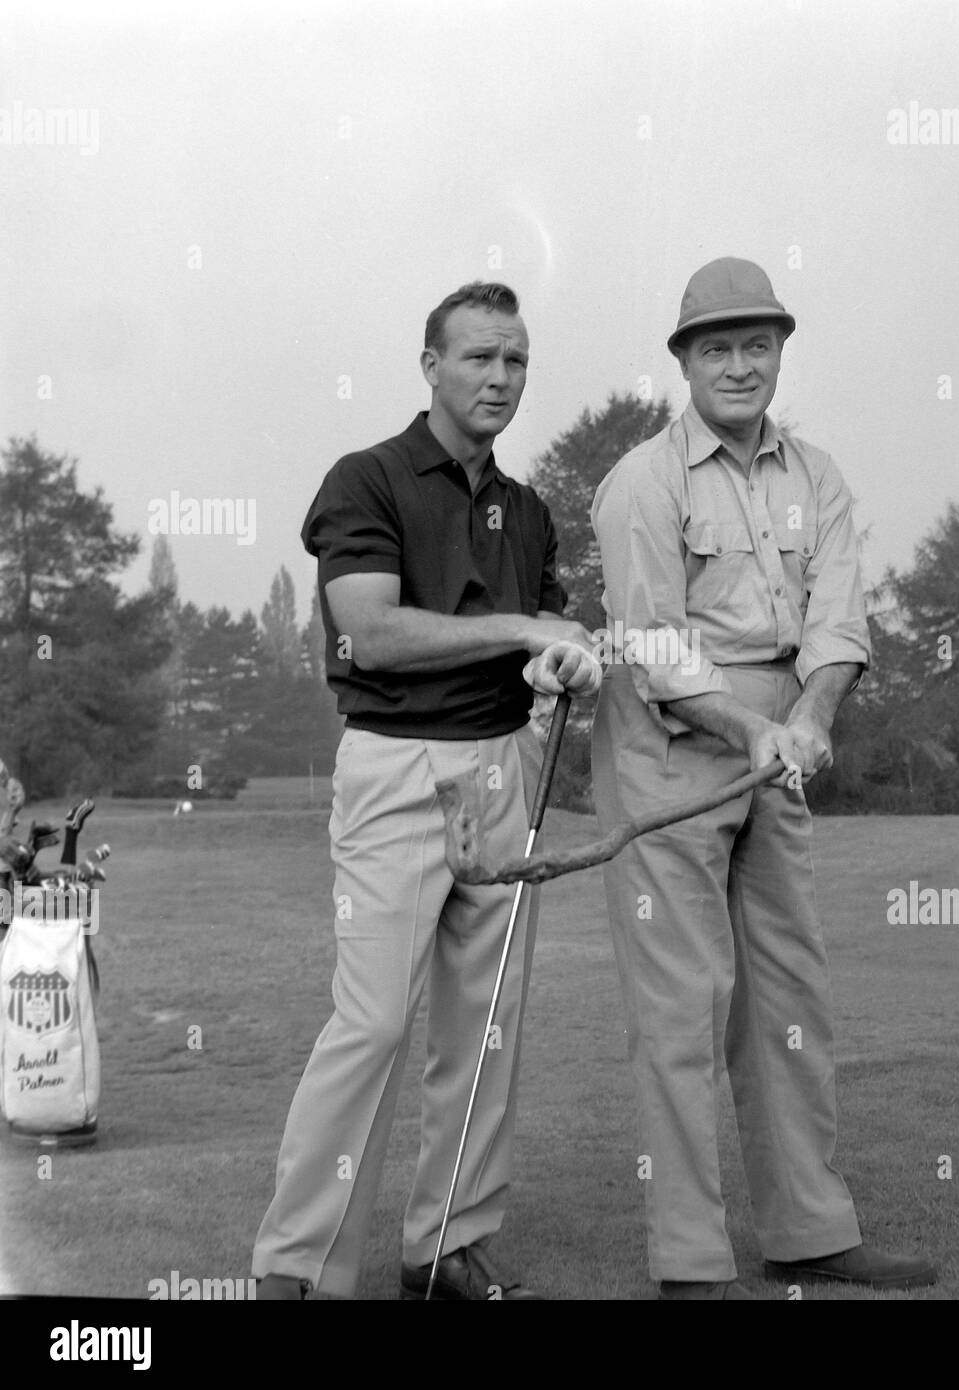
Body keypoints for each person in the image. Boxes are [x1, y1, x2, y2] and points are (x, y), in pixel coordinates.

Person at [590, 257, 938, 1300]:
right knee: (683, 1006)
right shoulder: (638, 484)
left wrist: (812, 718)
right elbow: (649, 644)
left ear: (780, 349)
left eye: (755, 345)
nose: (738, 366)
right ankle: (692, 1261)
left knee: (789, 992)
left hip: (780, 743)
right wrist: (748, 726)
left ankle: (809, 1229)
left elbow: (838, 618)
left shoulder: (817, 476)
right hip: (667, 753)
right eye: (715, 348)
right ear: (683, 362)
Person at [252, 281, 599, 1301]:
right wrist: (526, 632)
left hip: (502, 766)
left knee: (483, 1022)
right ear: (430, 366)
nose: (498, 378)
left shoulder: (526, 511)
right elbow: (371, 629)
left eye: (515, 361)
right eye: (479, 358)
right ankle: (301, 1266)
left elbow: (542, 641)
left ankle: (446, 1242)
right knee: (371, 1023)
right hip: (394, 766)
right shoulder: (365, 480)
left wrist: (554, 665)